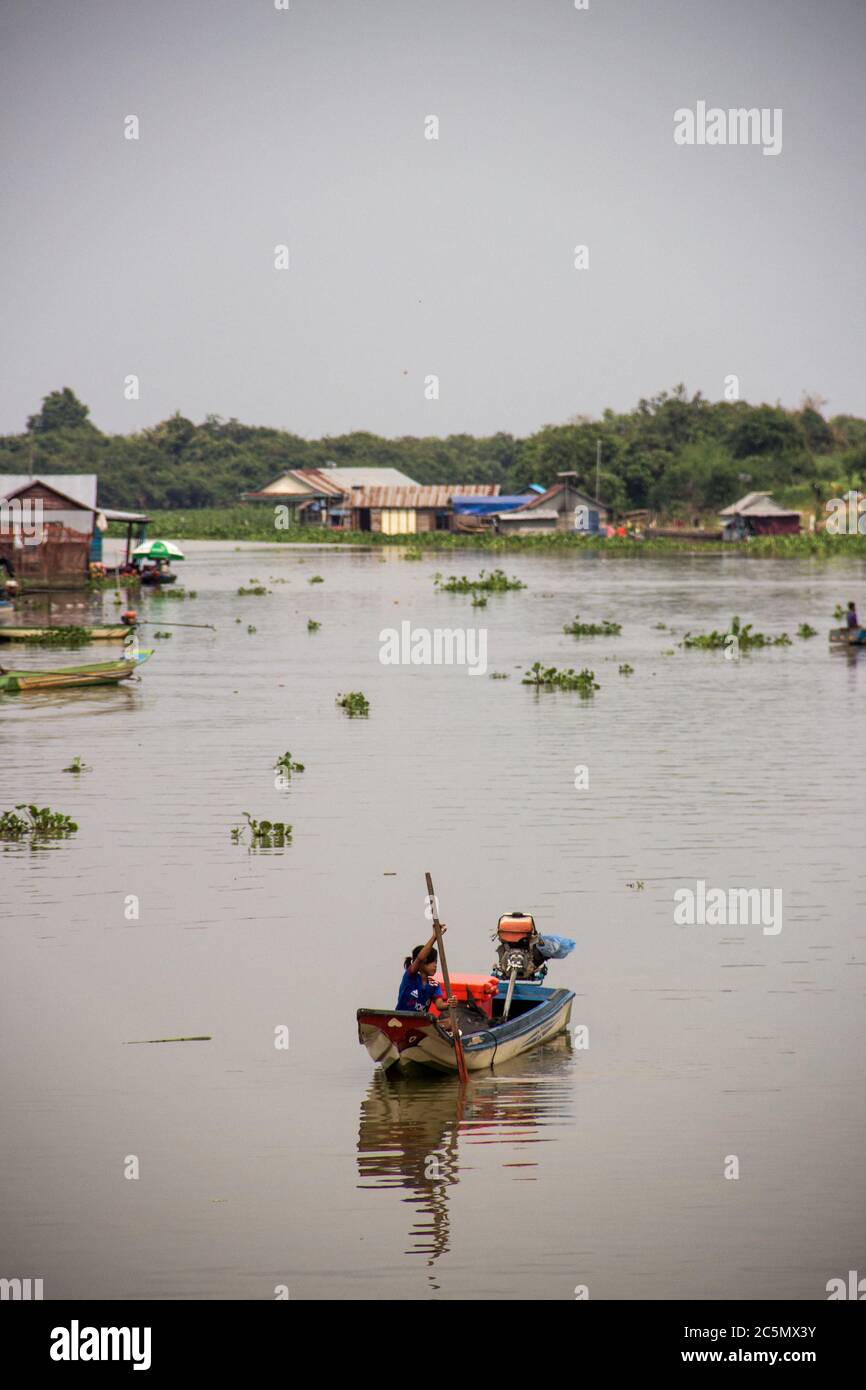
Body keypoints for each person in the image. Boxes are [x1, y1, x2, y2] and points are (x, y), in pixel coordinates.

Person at [396, 928, 449, 1014]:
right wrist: (434, 937)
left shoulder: (434, 984)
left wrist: (449, 1004)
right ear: (423, 963)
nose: (435, 965)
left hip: (420, 1022)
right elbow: (420, 958)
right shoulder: (410, 976)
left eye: (436, 962)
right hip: (402, 1019)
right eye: (432, 962)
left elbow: (440, 1005)